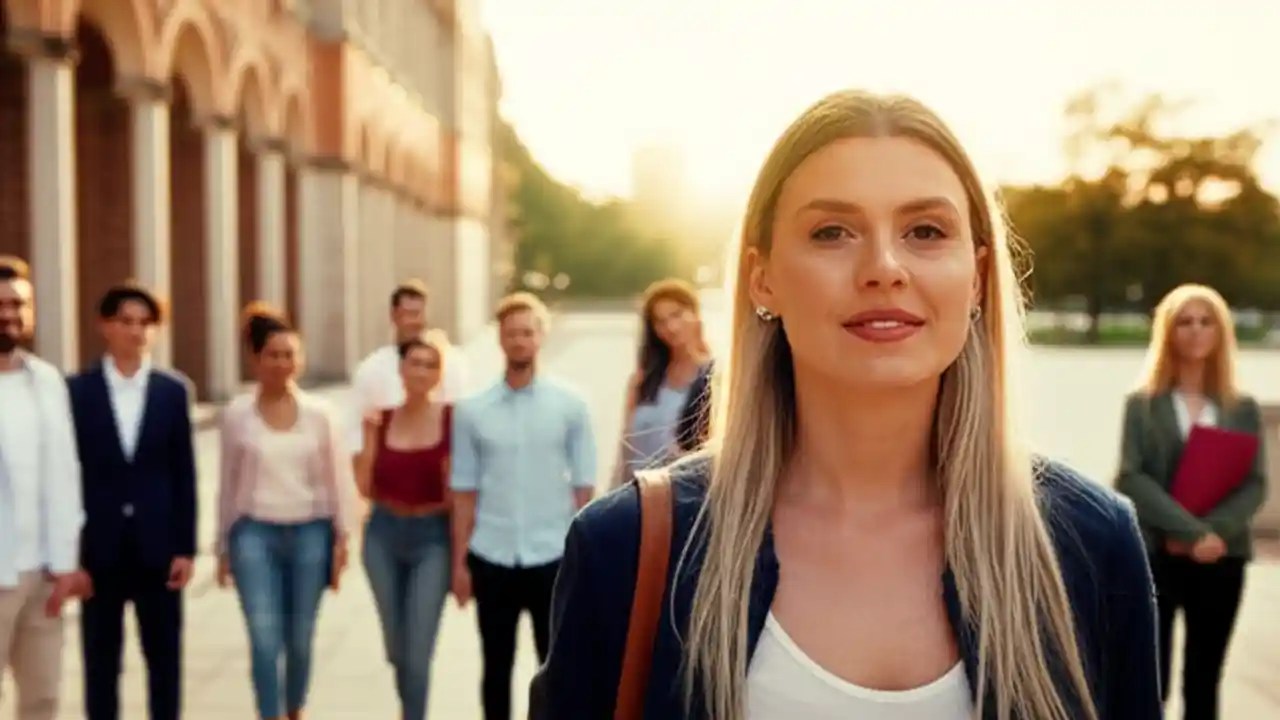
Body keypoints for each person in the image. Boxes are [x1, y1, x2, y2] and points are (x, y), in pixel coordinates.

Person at [530, 90, 1161, 720]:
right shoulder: (629, 546)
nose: (884, 268)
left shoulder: (1091, 542)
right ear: (763, 278)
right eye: (832, 232)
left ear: (976, 276)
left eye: (925, 231)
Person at [1116, 284, 1267, 720]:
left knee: (1204, 679)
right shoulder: (1142, 405)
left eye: (1206, 321)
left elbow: (1255, 484)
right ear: (1168, 330)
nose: (1196, 330)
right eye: (1185, 321)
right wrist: (1186, 532)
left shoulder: (1242, 408)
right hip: (1158, 557)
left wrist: (1211, 534)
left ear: (1220, 332)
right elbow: (1131, 475)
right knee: (1150, 678)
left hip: (1221, 557)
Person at [450, 292, 597, 720]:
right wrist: (459, 563)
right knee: (495, 667)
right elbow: (463, 490)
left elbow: (584, 489)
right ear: (499, 338)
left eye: (527, 332)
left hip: (552, 554)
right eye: (511, 332)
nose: (519, 340)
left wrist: (579, 558)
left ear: (541, 337)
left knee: (555, 668)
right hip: (491, 553)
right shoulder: (472, 411)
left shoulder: (571, 405)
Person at [217, 303, 358, 720]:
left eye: (289, 354)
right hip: (253, 535)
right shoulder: (237, 415)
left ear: (301, 359)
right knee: (263, 639)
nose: (281, 363)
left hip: (311, 534)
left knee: (299, 638)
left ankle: (295, 708)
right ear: (256, 359)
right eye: (273, 354)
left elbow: (340, 482)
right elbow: (226, 484)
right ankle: (269, 713)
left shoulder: (321, 415)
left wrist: (344, 539)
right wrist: (222, 544)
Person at [67, 284, 197, 720]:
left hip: (158, 548)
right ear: (105, 326)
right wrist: (72, 553)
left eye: (146, 323)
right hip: (98, 550)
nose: (136, 331)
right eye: (126, 321)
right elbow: (70, 474)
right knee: (100, 664)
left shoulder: (173, 391)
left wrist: (185, 547)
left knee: (165, 663)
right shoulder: (77, 392)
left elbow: (184, 473)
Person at [0, 256, 85, 720]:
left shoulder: (48, 381)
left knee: (43, 701)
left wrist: (67, 563)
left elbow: (64, 474)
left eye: (19, 304)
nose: (9, 314)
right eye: (0, 304)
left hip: (43, 576)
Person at [355, 330, 455, 720]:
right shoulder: (380, 420)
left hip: (432, 539)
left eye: (431, 364)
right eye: (415, 362)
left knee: (417, 651)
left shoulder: (452, 419)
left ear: (439, 374)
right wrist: (367, 439)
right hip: (382, 534)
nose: (422, 371)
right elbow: (363, 487)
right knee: (397, 648)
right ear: (401, 369)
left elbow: (459, 492)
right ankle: (407, 708)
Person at [612, 279, 711, 487]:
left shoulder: (714, 377)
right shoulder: (643, 380)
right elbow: (624, 452)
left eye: (677, 314)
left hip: (685, 494)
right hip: (635, 493)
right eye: (660, 321)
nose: (671, 327)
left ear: (694, 313)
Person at [349, 281, 467, 454]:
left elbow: (461, 415)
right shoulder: (371, 369)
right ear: (394, 315)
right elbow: (355, 430)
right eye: (409, 314)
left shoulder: (451, 362)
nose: (415, 322)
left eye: (419, 314)